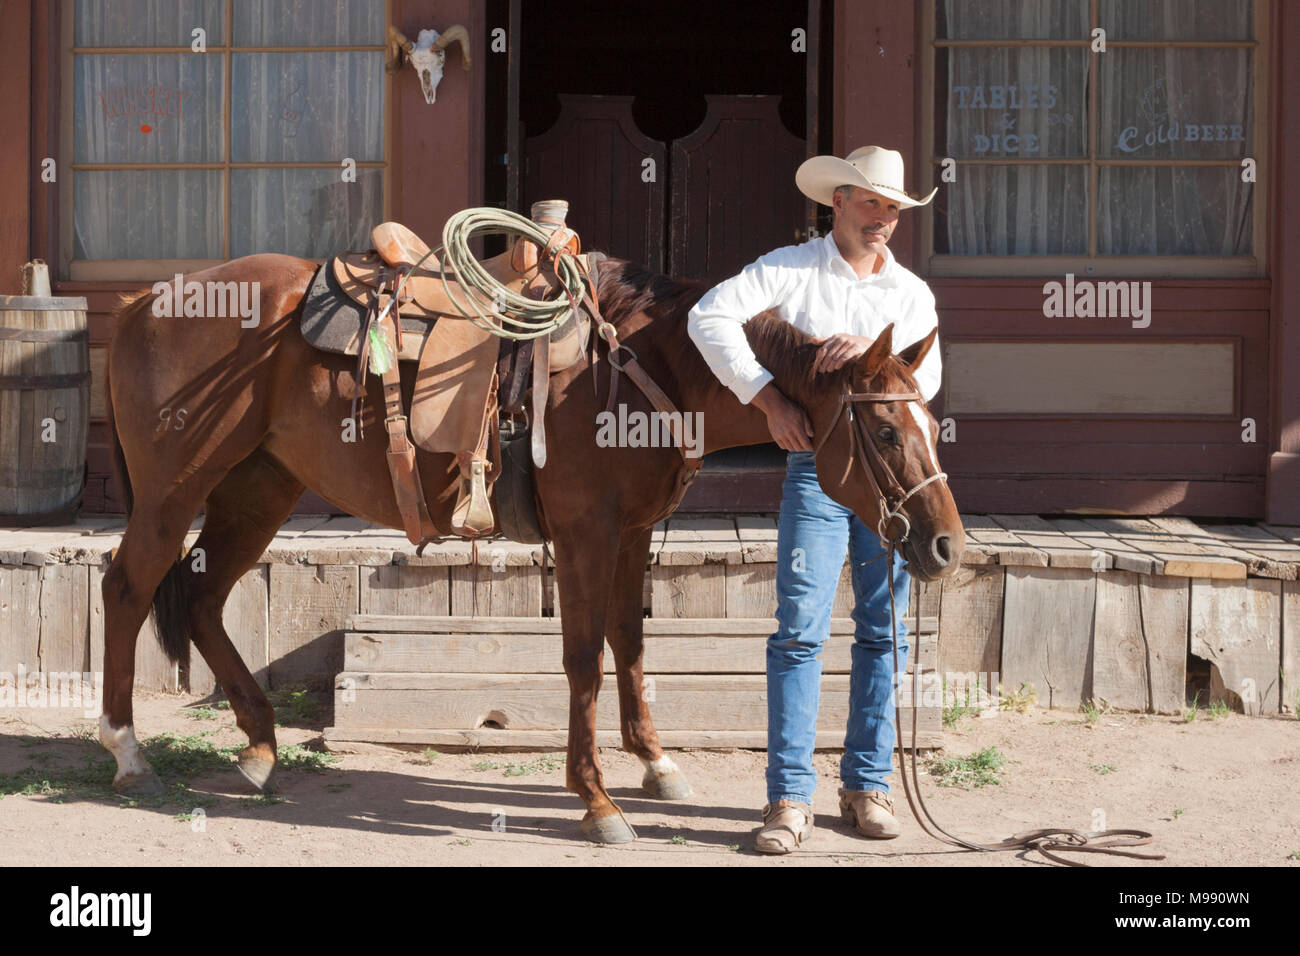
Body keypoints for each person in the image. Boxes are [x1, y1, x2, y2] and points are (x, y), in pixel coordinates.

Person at [686, 146, 942, 854]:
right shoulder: (790, 269)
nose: (884, 218)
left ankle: (867, 787)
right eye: (872, 203)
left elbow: (926, 384)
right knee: (800, 632)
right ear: (839, 203)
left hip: (886, 483)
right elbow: (709, 316)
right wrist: (766, 400)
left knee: (882, 630)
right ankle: (789, 799)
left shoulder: (910, 295)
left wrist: (872, 353)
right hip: (818, 474)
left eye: (893, 207)